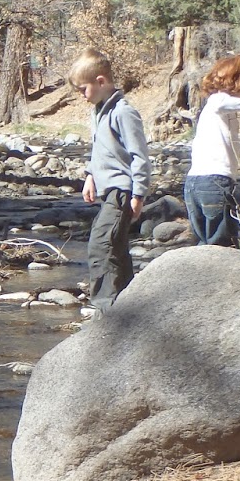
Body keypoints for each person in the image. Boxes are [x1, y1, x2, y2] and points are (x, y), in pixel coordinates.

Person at [71, 48, 150, 311]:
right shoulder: (98, 111)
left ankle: (107, 307)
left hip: (122, 191)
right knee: (115, 246)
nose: (82, 96)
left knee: (102, 245)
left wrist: (138, 194)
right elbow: (99, 149)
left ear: (101, 82)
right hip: (108, 190)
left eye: (83, 89)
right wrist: (91, 176)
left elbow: (139, 156)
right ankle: (126, 304)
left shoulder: (123, 112)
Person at [184, 54, 240, 247]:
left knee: (205, 245)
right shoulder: (217, 101)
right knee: (223, 245)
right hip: (214, 182)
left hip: (193, 184)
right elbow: (222, 102)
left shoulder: (217, 109)